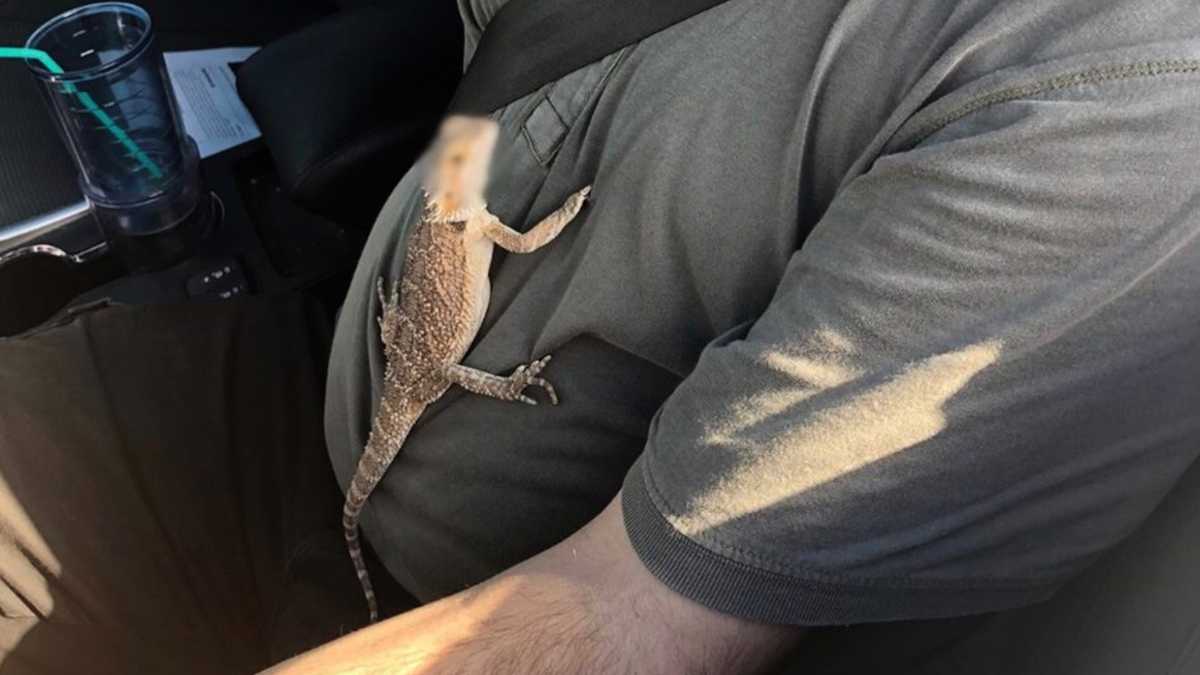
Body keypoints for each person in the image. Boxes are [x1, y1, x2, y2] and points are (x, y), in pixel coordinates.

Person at [2, 0, 1199, 672]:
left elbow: (627, 622)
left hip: (473, 602)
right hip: (315, 370)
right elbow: (487, 98)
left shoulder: (1124, 95)